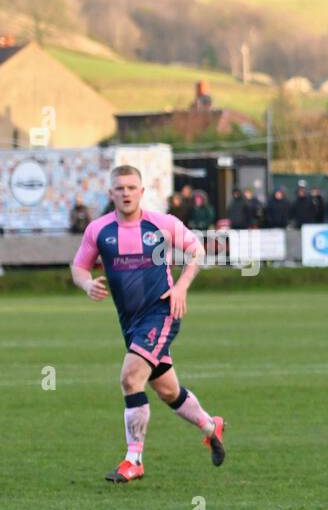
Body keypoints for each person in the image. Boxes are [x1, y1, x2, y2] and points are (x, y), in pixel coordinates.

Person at [69, 165, 226, 483]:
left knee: (130, 378)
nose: (126, 193)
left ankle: (134, 460)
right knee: (168, 391)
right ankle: (211, 426)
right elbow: (79, 267)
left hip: (162, 312)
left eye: (131, 187)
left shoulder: (162, 224)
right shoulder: (99, 230)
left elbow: (197, 251)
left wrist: (181, 286)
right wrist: (87, 285)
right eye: (119, 188)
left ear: (141, 192)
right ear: (111, 193)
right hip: (130, 322)